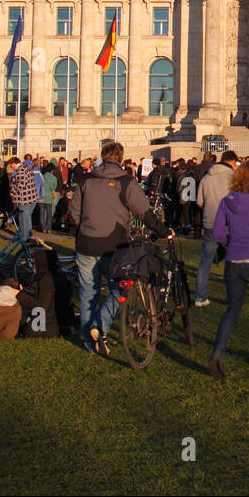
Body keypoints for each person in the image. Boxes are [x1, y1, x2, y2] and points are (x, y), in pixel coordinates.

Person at [68, 141, 167, 354]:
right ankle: (101, 324)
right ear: (121, 160)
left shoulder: (86, 179)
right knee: (122, 290)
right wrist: (162, 229)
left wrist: (82, 229)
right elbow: (144, 212)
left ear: (102, 158)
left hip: (86, 243)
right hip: (114, 246)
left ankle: (90, 345)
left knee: (88, 294)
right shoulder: (126, 181)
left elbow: (74, 212)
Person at [208, 161, 249, 378]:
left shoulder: (226, 201)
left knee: (232, 310)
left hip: (234, 261)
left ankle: (217, 353)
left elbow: (217, 233)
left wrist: (231, 242)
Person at [194, 151, 237, 307]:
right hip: (228, 223)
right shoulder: (232, 178)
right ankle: (231, 297)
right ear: (232, 163)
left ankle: (200, 297)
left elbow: (199, 201)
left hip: (210, 222)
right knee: (231, 261)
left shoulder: (206, 178)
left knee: (205, 261)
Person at [9, 155, 39, 240]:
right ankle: (28, 235)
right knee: (28, 218)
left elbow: (21, 184)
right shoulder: (26, 167)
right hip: (32, 198)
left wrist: (13, 191)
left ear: (14, 163)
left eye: (12, 166)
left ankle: (24, 237)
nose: (12, 168)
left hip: (24, 199)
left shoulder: (20, 171)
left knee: (23, 218)